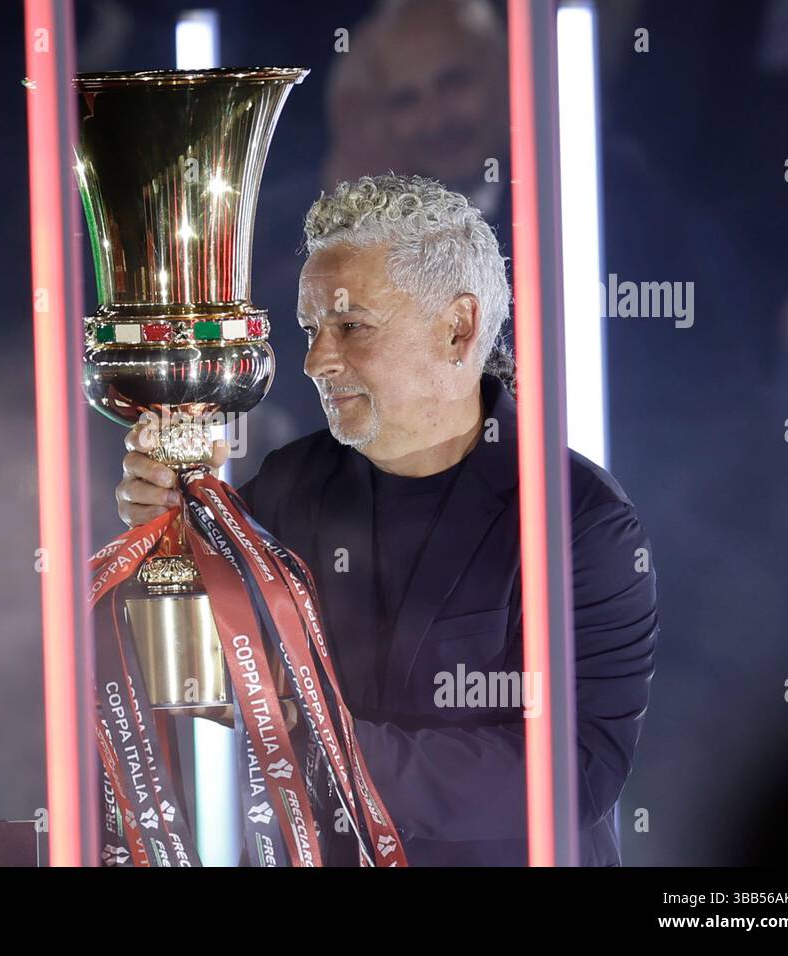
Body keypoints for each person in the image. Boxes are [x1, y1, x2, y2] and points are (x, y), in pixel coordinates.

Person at [115, 174, 658, 866]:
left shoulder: (581, 521)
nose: (315, 360)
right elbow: (195, 671)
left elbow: (572, 774)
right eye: (312, 329)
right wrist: (165, 528)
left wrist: (319, 747)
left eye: (351, 326)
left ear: (457, 328)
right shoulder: (288, 485)